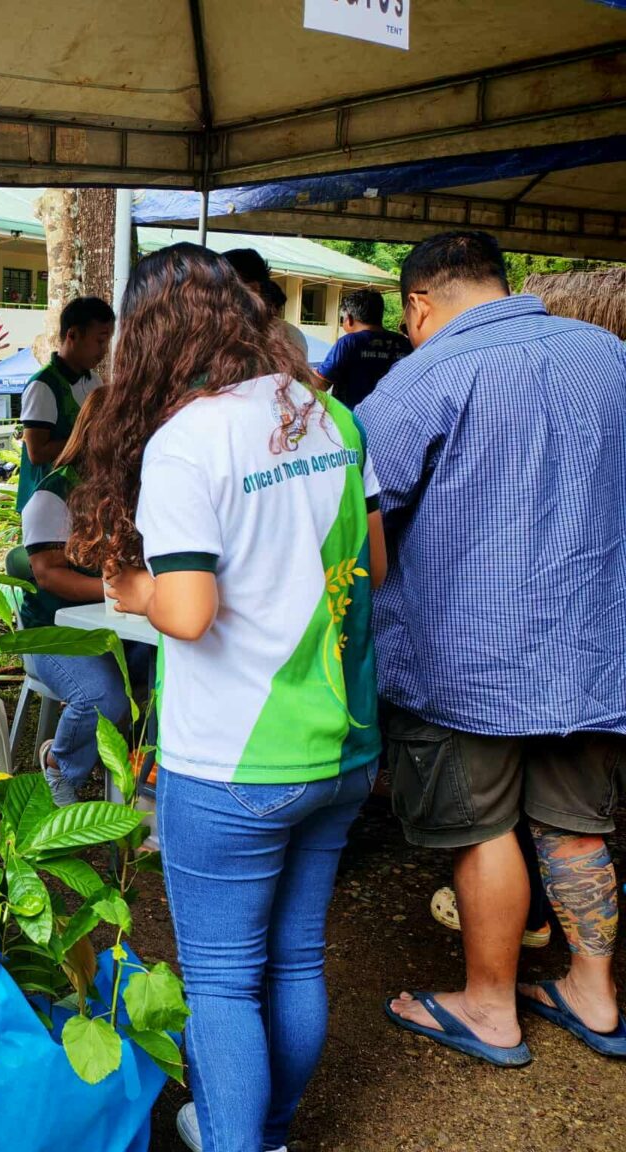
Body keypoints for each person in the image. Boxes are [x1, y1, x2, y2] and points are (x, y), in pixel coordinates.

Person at [73, 244, 385, 1152]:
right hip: (341, 745)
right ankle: (266, 1132)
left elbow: (190, 610)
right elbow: (378, 565)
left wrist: (128, 591)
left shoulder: (187, 439)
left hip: (234, 763)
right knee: (292, 960)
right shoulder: (323, 414)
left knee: (218, 981)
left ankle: (235, 1137)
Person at [362, 231, 626, 1065]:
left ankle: (489, 1007)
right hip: (597, 649)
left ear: (418, 305)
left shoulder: (424, 376)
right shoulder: (609, 357)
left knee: (485, 832)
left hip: (465, 659)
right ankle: (593, 991)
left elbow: (358, 512)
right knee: (578, 829)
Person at [20, 430, 151, 806]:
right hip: (52, 636)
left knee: (169, 677)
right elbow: (46, 573)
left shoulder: (131, 489)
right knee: (103, 697)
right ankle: (59, 764)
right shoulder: (51, 496)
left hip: (122, 629)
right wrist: (119, 591)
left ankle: (141, 779)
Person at [15, 295, 113, 511]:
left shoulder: (94, 381)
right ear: (73, 335)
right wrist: (89, 438)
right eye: (100, 341)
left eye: (107, 342)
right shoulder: (43, 385)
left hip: (80, 500)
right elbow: (37, 452)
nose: (104, 350)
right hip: (48, 505)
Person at [318, 287, 411, 409]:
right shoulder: (404, 343)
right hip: (389, 418)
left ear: (349, 319)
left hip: (353, 421)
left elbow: (321, 384)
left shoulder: (349, 342)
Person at [224, 248, 310, 359]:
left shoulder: (286, 339)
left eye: (224, 288)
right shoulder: (222, 333)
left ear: (253, 289)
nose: (215, 297)